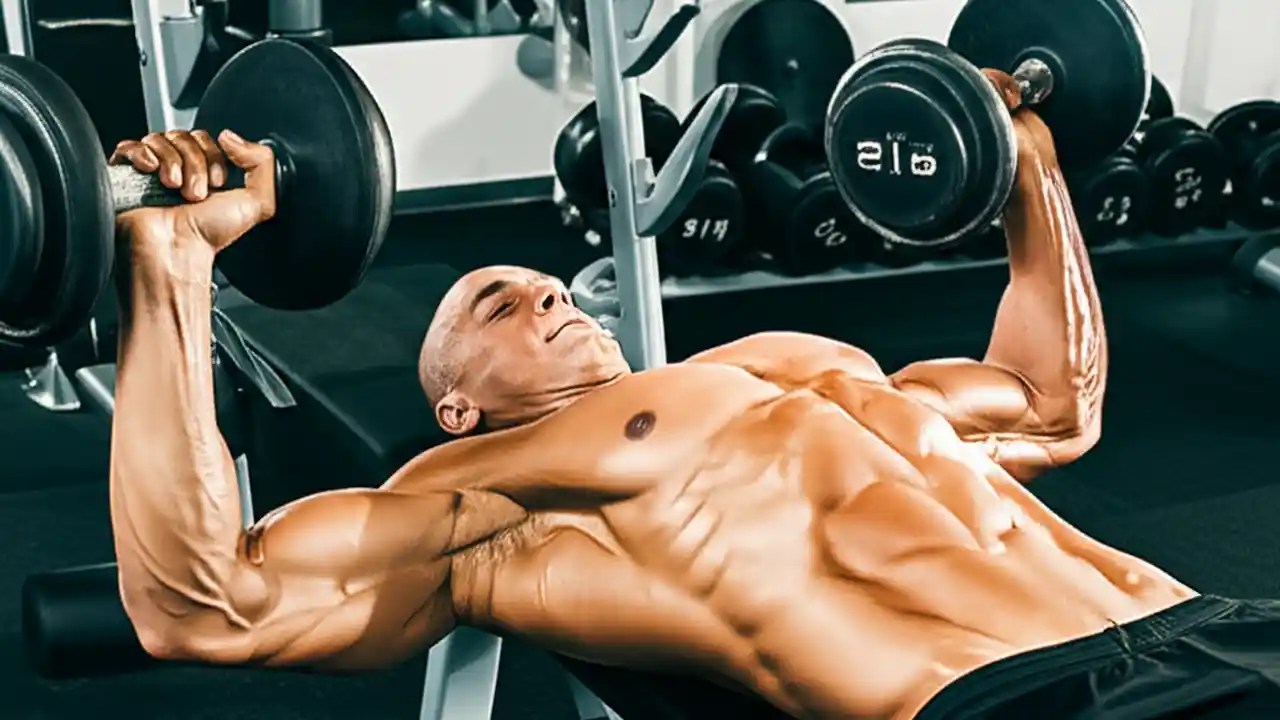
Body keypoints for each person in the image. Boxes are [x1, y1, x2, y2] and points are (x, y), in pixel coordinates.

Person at [106, 74, 1280, 720]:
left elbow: (1045, 402)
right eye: (493, 305)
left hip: (1213, 624)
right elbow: (208, 607)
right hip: (1024, 701)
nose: (544, 293)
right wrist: (170, 271)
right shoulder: (498, 497)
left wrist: (1026, 166)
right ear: (456, 405)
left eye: (543, 280)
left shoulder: (794, 361)